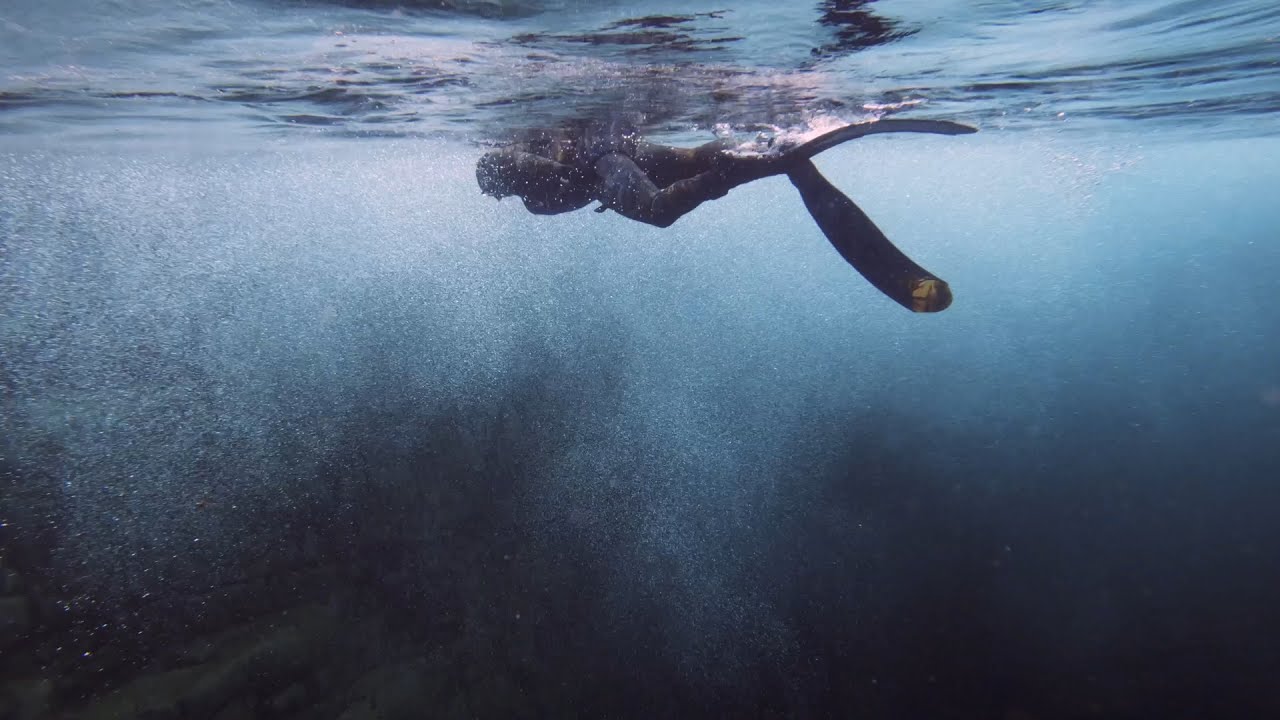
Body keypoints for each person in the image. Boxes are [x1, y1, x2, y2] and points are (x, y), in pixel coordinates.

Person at [475, 118, 976, 312]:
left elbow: (550, 162)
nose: (503, 196)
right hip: (608, 160)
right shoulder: (534, 199)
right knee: (699, 162)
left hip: (604, 156)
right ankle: (776, 156)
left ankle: (757, 161)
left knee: (658, 210)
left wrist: (591, 151)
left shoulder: (524, 179)